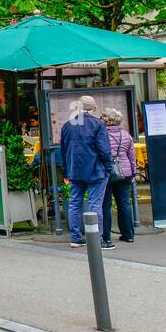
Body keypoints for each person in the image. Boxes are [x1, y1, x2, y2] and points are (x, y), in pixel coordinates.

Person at [61, 95, 112, 249]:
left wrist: (65, 172)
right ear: (95, 108)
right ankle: (97, 238)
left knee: (74, 203)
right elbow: (104, 150)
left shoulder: (67, 126)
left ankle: (75, 238)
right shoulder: (98, 125)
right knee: (95, 204)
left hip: (74, 170)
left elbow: (64, 151)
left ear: (78, 107)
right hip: (95, 170)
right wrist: (109, 167)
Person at [100, 108, 136, 247]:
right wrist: (133, 173)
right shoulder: (126, 135)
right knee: (124, 204)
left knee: (105, 205)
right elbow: (132, 156)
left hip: (107, 172)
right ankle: (128, 235)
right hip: (124, 173)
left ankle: (106, 237)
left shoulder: (102, 135)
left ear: (106, 121)